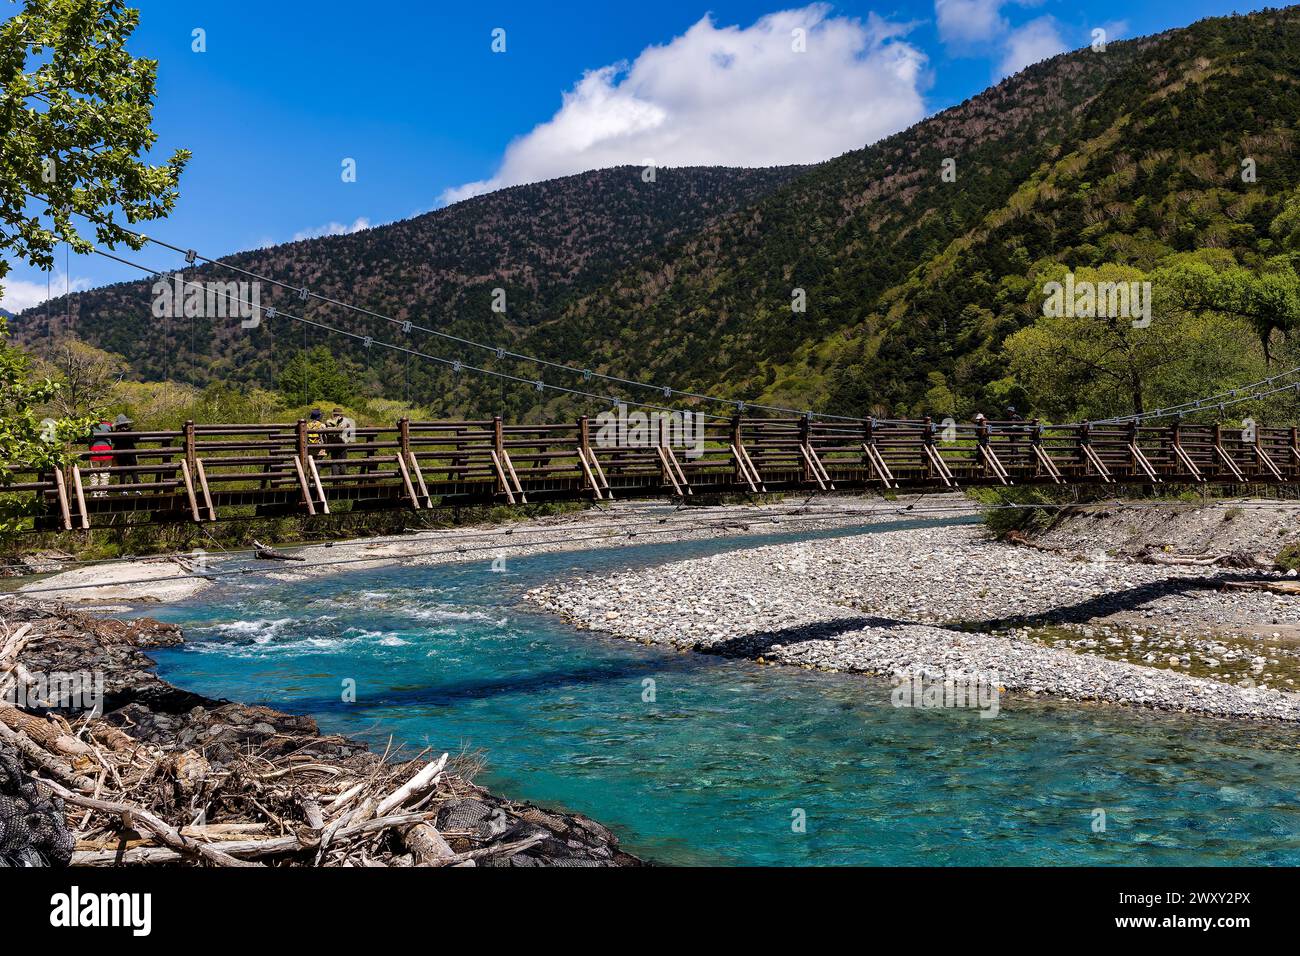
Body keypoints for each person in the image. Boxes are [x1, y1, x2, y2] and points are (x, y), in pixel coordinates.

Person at [112, 414, 140, 487]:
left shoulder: (116, 433)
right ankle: (137, 488)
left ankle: (123, 489)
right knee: (134, 470)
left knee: (123, 471)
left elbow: (113, 440)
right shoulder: (130, 431)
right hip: (131, 453)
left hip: (121, 455)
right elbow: (137, 438)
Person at [88, 421, 114, 497]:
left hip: (94, 450)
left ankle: (94, 491)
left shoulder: (91, 425)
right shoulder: (108, 425)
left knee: (94, 472)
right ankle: (103, 491)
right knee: (105, 473)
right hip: (106, 450)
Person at [325, 407, 351, 476]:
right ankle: (341, 477)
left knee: (334, 461)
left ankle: (335, 480)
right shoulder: (346, 421)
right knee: (343, 461)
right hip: (343, 444)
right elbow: (349, 430)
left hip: (333, 444)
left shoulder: (328, 421)